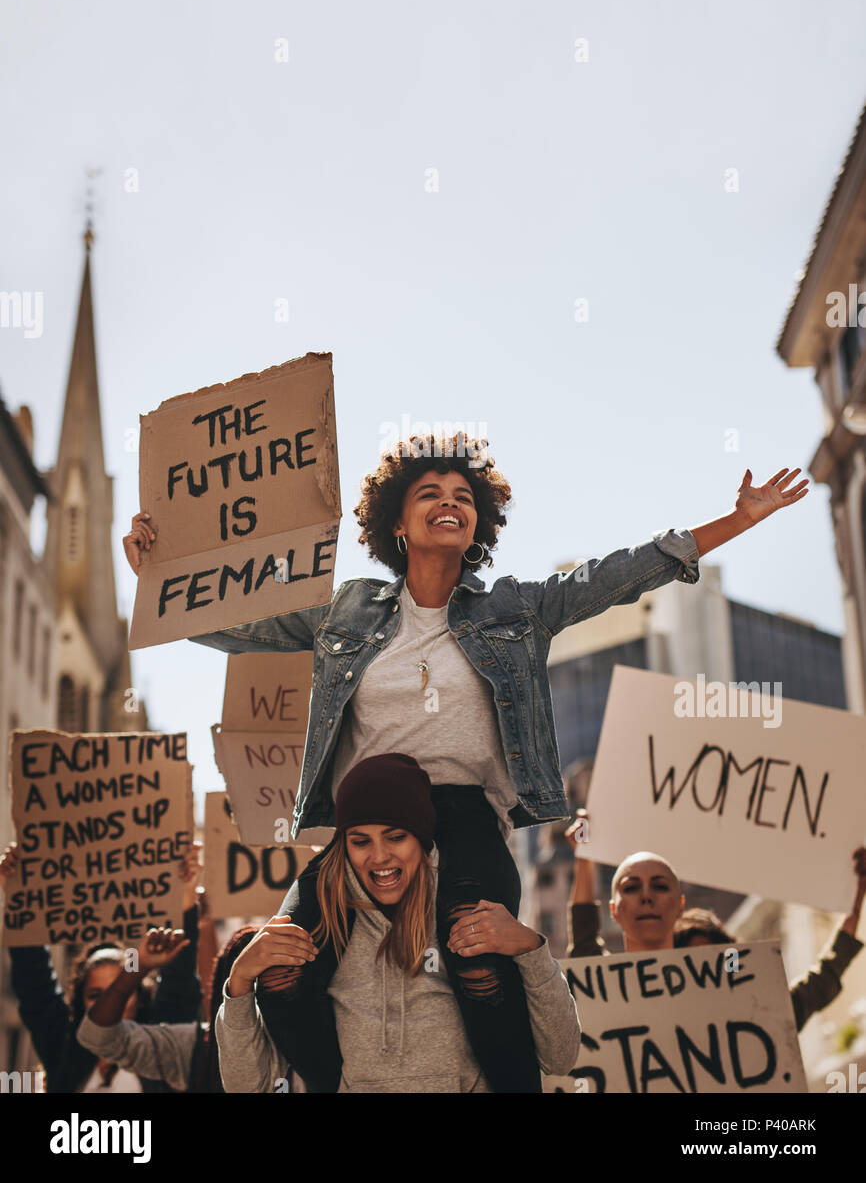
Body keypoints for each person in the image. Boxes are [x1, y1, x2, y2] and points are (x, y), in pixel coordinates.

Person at [124, 434, 806, 1090]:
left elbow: (613, 578)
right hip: (367, 821)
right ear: (396, 519)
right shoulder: (349, 608)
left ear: (478, 520)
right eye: (429, 492)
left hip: (462, 810)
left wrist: (736, 521)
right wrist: (154, 573)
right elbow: (240, 625)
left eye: (463, 494)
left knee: (473, 950)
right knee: (277, 961)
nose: (449, 501)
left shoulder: (515, 606)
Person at [215, 752, 580, 1093]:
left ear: (422, 840)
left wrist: (532, 950)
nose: (379, 857)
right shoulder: (328, 931)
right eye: (360, 841)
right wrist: (240, 981)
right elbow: (248, 1086)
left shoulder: (469, 917)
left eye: (396, 837)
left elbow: (560, 1057)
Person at [0, 842, 202, 1093]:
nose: (111, 1002)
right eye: (96, 995)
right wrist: (17, 898)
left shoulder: (161, 1048)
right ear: (80, 1002)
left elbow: (179, 982)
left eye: (123, 991)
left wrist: (184, 899)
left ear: (139, 997)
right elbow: (34, 985)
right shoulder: (62, 1046)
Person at [75, 923, 297, 1093]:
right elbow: (96, 1036)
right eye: (242, 990)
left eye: (273, 981)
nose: (251, 1005)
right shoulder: (193, 1047)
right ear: (223, 990)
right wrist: (137, 963)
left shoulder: (319, 1039)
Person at [674, 847, 866, 1032]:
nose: (705, 977)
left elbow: (827, 973)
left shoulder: (769, 1020)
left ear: (732, 967)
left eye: (712, 965)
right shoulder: (665, 1038)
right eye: (695, 968)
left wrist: (858, 890)